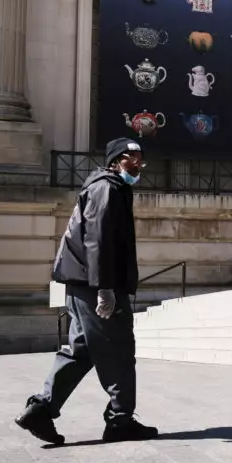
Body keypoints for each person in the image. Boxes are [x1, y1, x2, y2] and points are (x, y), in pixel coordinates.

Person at [14, 138, 158, 445]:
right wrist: (105, 288)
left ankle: (41, 409)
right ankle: (120, 420)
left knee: (81, 351)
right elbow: (98, 240)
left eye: (140, 161)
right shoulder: (107, 188)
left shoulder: (104, 186)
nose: (138, 166)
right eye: (133, 160)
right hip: (96, 284)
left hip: (82, 283)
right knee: (118, 349)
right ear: (116, 160)